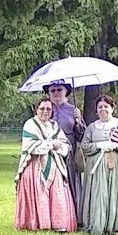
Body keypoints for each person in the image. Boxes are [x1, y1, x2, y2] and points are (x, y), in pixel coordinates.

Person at [14, 97, 78, 232]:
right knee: (39, 191)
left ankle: (58, 223)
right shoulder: (30, 125)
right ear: (36, 109)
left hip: (55, 165)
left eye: (48, 109)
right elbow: (31, 146)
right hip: (35, 166)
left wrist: (56, 146)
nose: (45, 111)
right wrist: (51, 144)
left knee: (57, 192)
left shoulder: (54, 126)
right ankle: (37, 222)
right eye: (42, 108)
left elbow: (65, 144)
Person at [79, 94, 118, 235]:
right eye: (100, 107)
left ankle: (115, 224)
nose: (103, 109)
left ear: (112, 108)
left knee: (115, 192)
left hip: (116, 166)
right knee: (98, 194)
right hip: (96, 168)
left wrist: (116, 146)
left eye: (106, 106)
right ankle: (97, 224)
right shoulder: (92, 127)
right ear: (96, 110)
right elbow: (84, 146)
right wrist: (99, 145)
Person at [45, 80, 86, 224]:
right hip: (49, 150)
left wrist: (78, 120)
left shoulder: (72, 109)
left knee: (70, 181)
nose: (56, 93)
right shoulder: (46, 109)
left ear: (65, 91)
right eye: (53, 90)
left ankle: (73, 216)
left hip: (68, 150)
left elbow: (81, 134)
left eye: (59, 90)